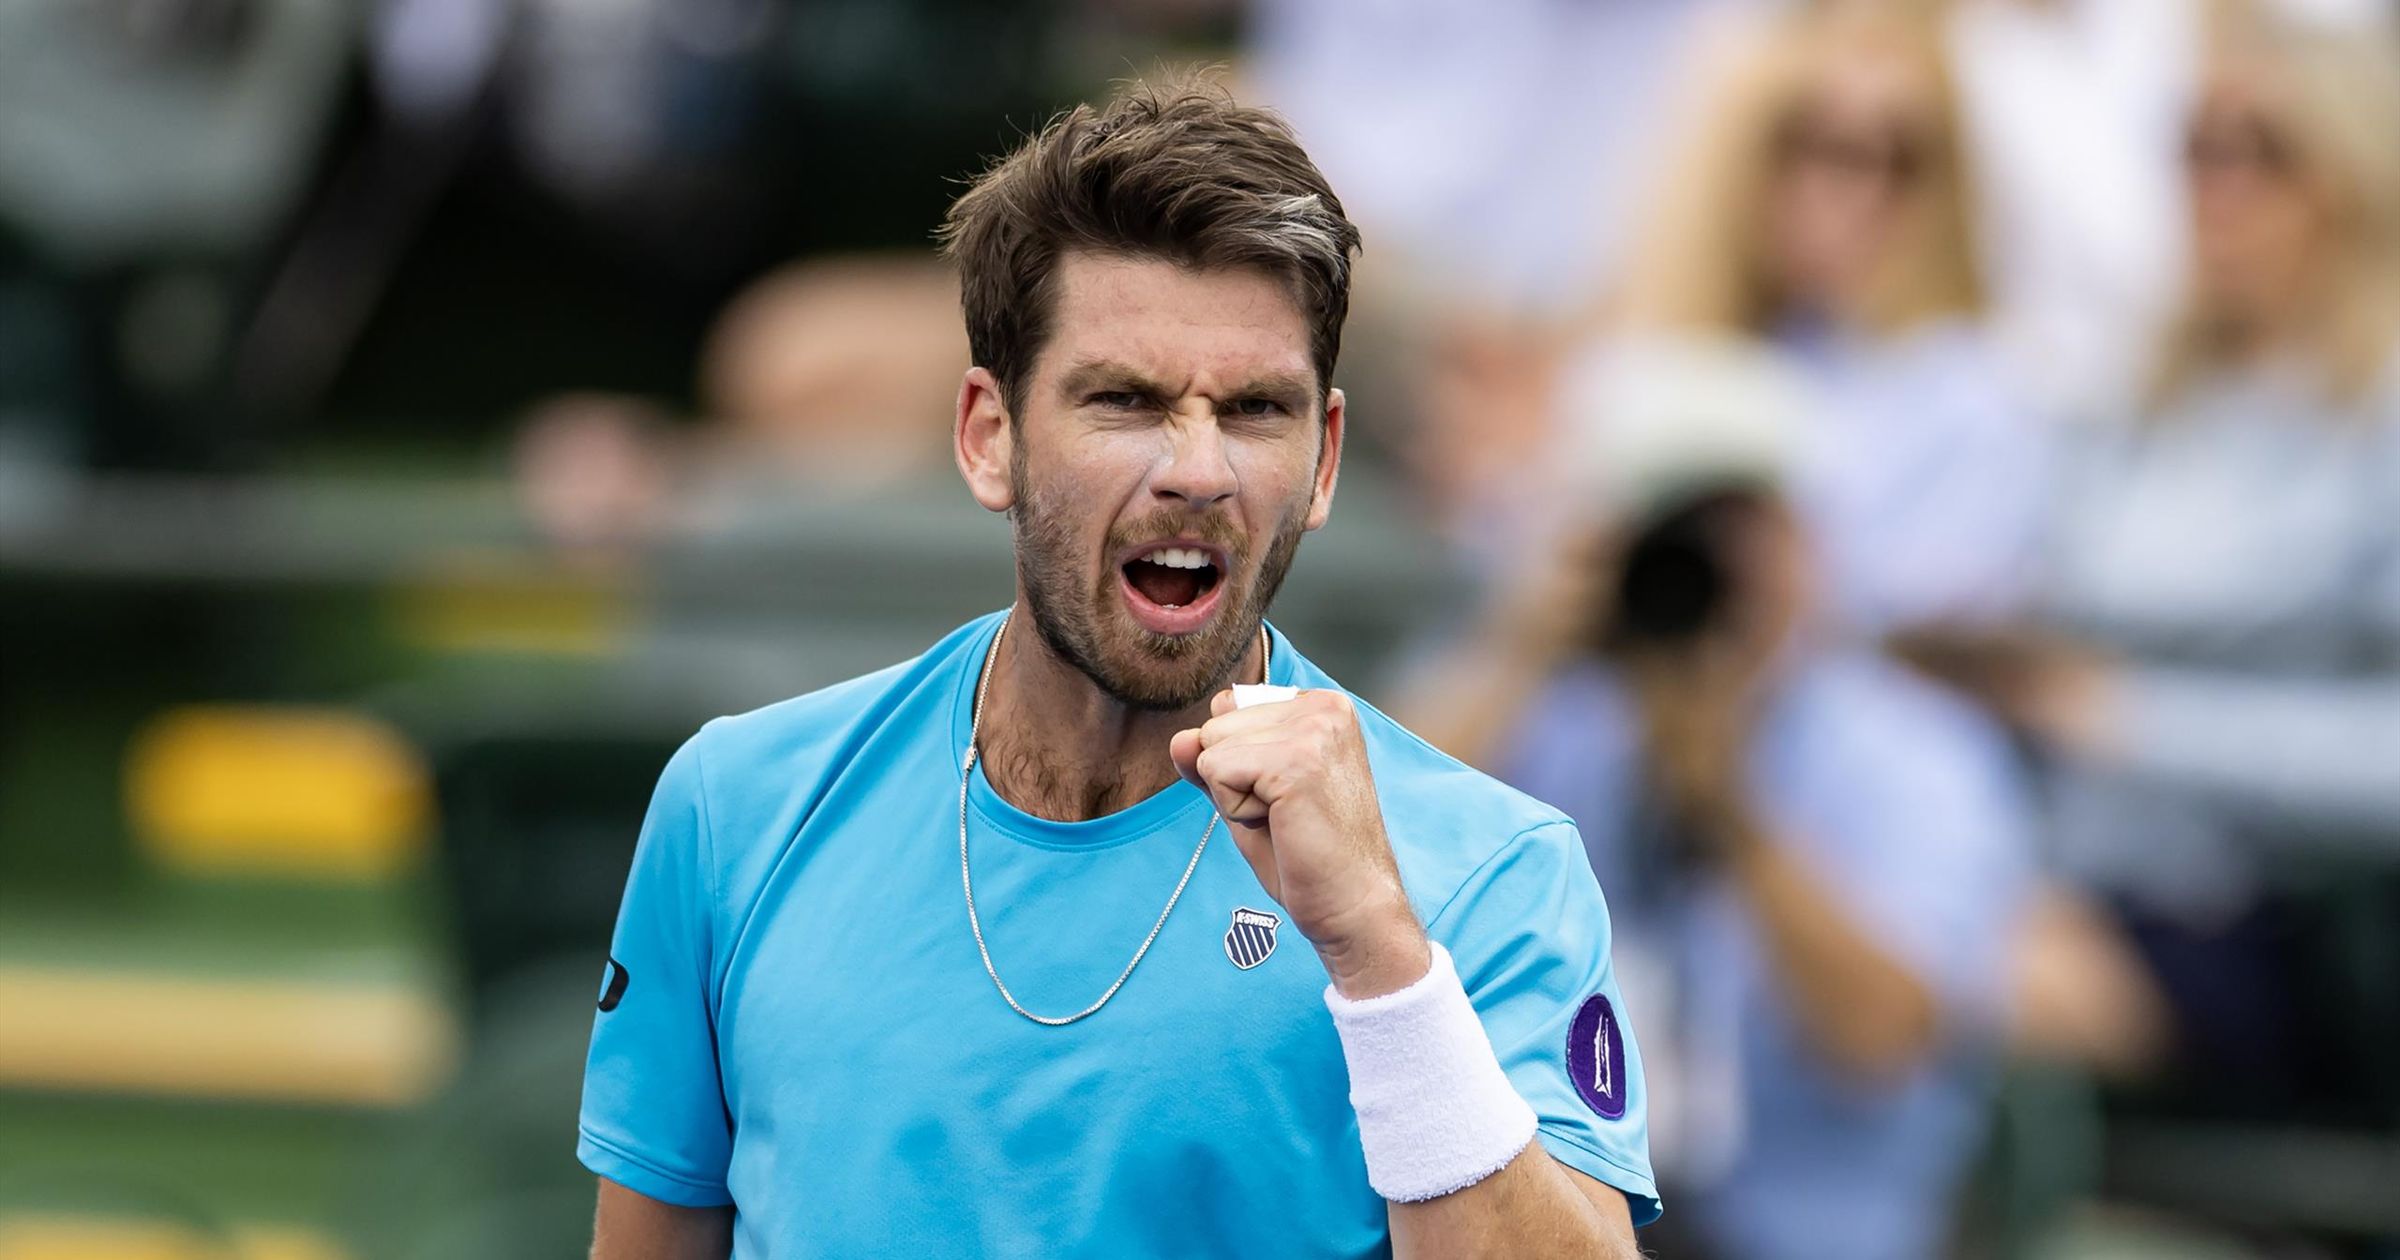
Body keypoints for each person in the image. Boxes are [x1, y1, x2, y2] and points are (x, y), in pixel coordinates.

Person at [576, 80, 1657, 1258]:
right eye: (1126, 400)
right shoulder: (739, 808)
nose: (1197, 467)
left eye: (1254, 410)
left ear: (1325, 459)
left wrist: (1384, 965)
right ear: (990, 437)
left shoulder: (1487, 875)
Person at [1421, 338, 2034, 1260]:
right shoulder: (1560, 715)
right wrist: (1520, 644)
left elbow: (1888, 1036)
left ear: (1807, 539)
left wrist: (1731, 812)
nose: (1719, 567)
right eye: (1680, 532)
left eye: (1744, 527)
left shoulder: (1915, 754)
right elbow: (1362, 851)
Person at [1907, 1, 2400, 1110]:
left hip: (2283, 922)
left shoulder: (2374, 415)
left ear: (2351, 172)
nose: (2215, 187)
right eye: (2193, 147)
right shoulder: (2140, 403)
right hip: (2072, 873)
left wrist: (2133, 721)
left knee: (1911, 987)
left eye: (2259, 151)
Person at [1606, 1, 2045, 634]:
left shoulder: (1973, 398)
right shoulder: (1661, 368)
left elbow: (1951, 626)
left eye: (1896, 157)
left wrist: (1789, 587)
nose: (1852, 192)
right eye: (1811, 145)